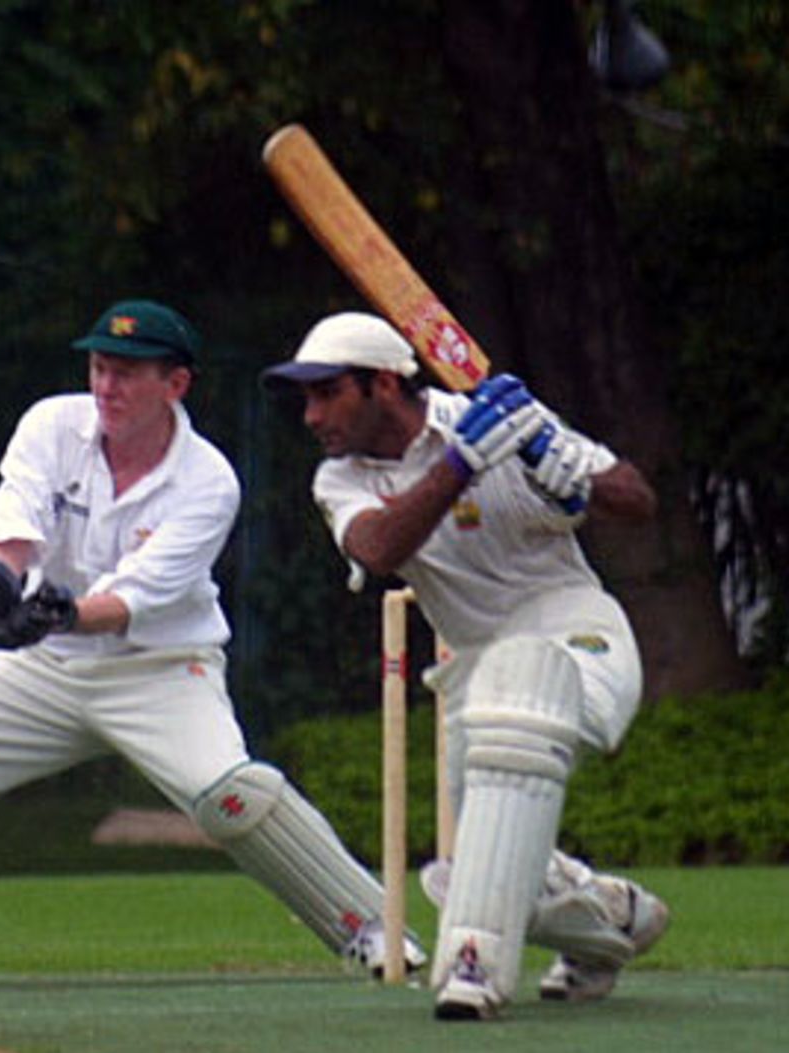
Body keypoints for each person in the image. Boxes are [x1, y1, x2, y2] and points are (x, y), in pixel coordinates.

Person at [0, 299, 424, 989]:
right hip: (42, 668)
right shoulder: (52, 424)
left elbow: (134, 598)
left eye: (129, 373)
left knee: (236, 797)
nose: (107, 386)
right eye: (100, 368)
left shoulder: (209, 479)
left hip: (162, 671)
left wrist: (52, 612)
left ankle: (375, 928)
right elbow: (15, 525)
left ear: (176, 385)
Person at [261, 311, 670, 1021]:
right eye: (308, 398)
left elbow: (638, 501)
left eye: (328, 393)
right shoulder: (339, 480)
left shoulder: (499, 418)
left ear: (383, 382)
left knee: (520, 719)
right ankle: (611, 920)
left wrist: (565, 468)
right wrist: (462, 464)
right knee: (466, 875)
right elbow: (379, 549)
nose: (312, 414)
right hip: (474, 673)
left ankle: (475, 970)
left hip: (574, 633)